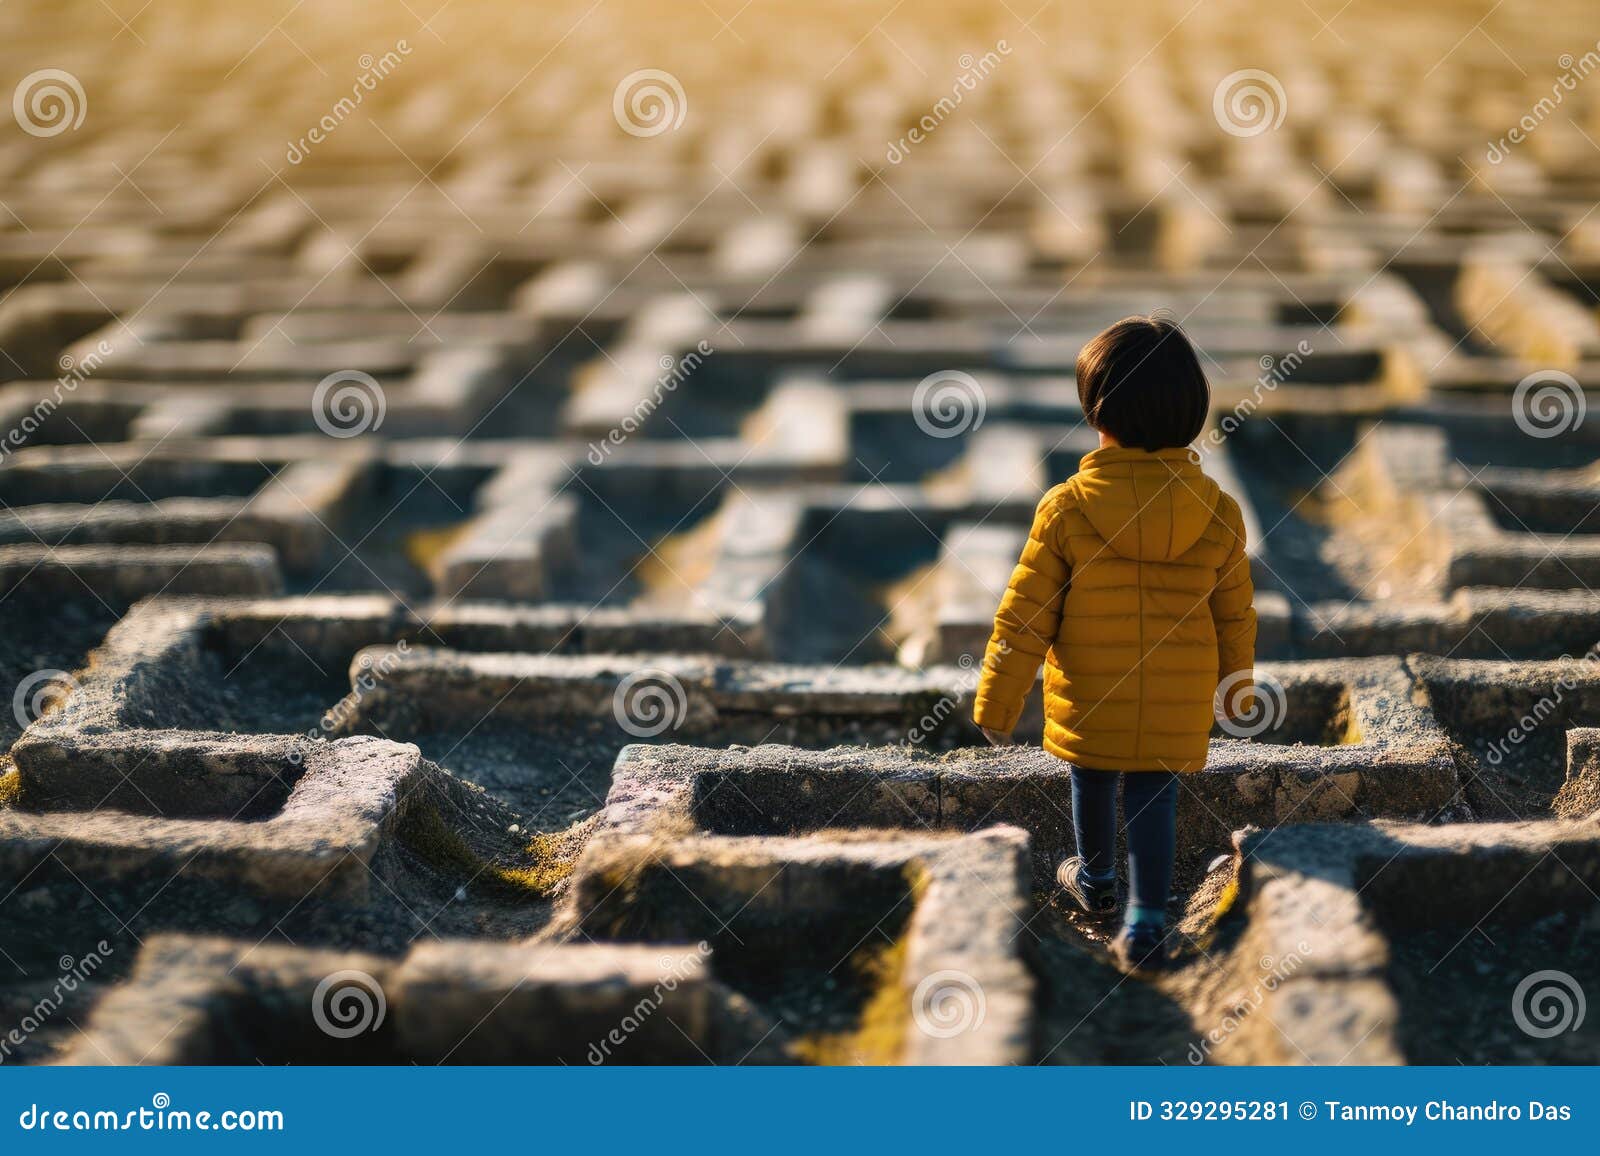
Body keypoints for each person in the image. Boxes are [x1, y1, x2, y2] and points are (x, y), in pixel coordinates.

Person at [972, 314, 1257, 973]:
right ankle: (1147, 921)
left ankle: (1096, 880)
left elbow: (1025, 615)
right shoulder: (1218, 511)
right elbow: (1235, 616)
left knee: (1093, 777)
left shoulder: (1067, 507)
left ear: (1098, 415)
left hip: (1091, 691)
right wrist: (1235, 687)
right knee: (1155, 795)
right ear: (1191, 414)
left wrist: (998, 700)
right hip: (1175, 699)